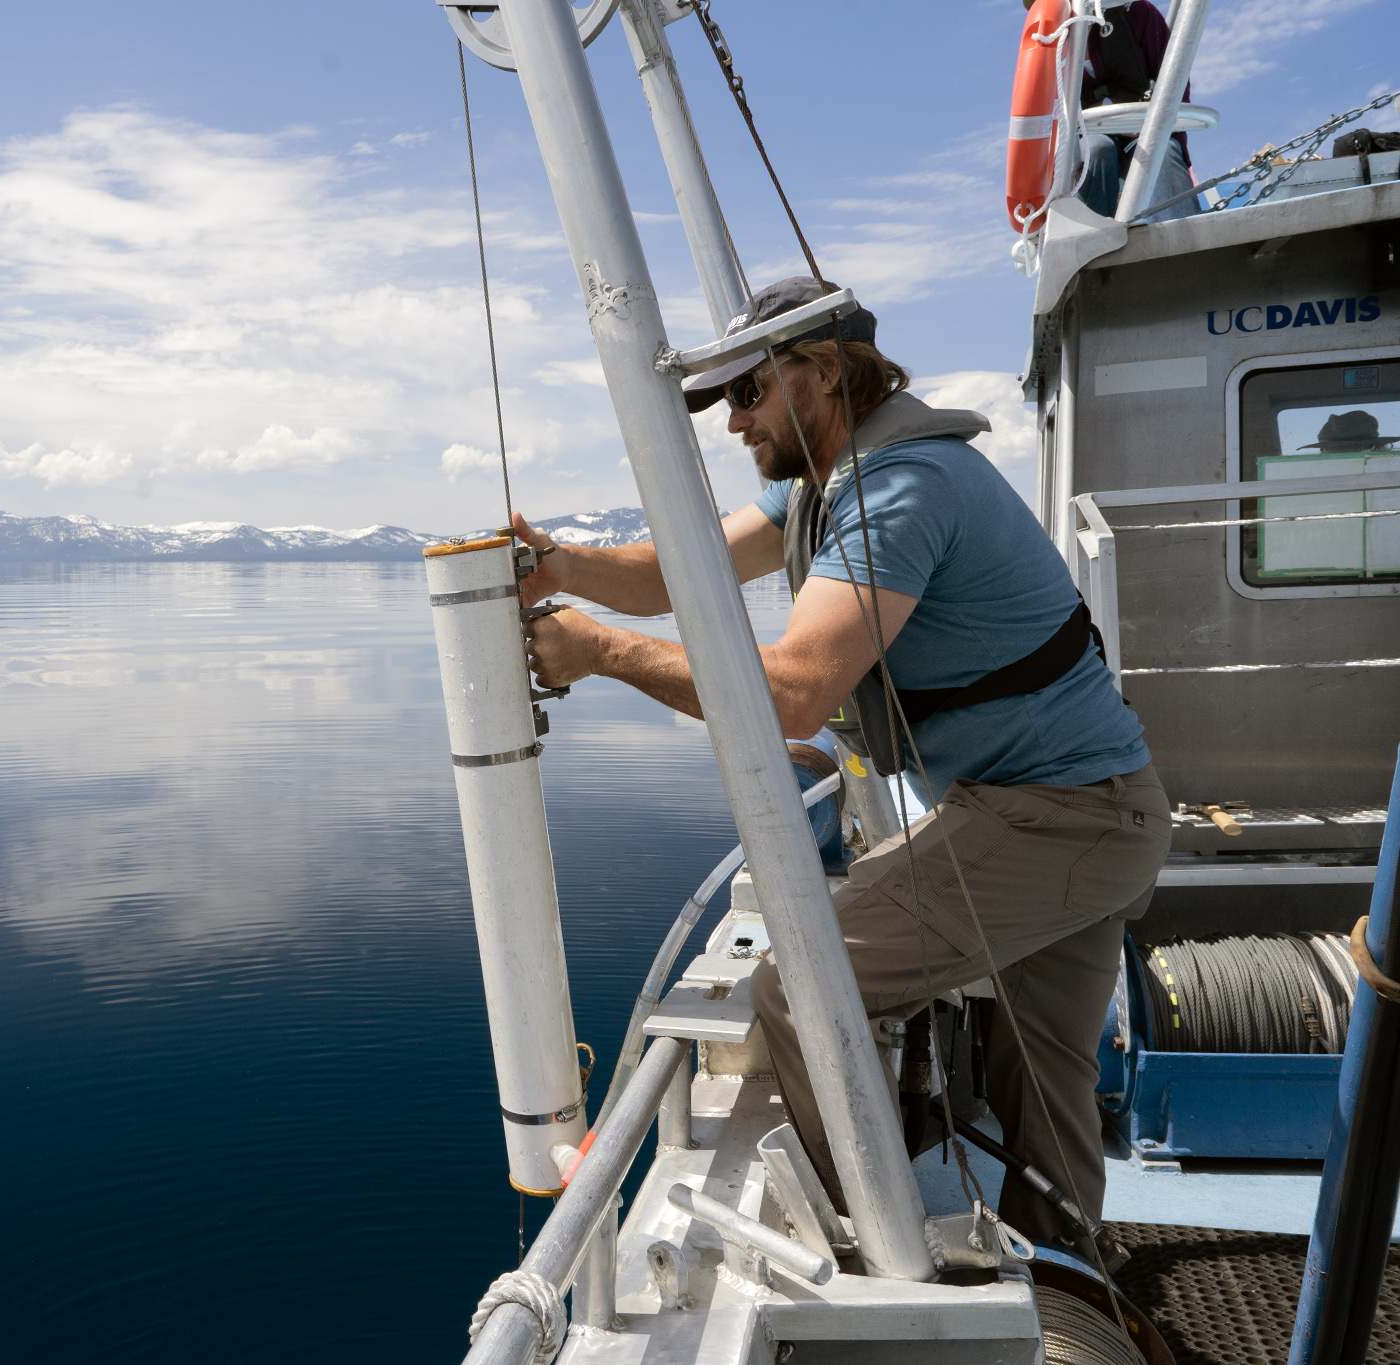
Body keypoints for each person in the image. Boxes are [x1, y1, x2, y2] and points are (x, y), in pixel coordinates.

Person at [513, 277, 1172, 1251]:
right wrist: (562, 565)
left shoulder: (899, 489)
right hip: (1079, 807)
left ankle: (871, 1244)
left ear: (820, 372)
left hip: (1056, 817)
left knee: (806, 986)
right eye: (719, 401)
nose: (730, 423)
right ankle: (1069, 1279)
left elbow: (793, 692)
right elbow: (671, 573)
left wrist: (598, 652)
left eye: (745, 394)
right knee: (1033, 1082)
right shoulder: (822, 485)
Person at [1064, 0, 1202, 222]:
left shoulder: (1138, 13)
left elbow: (1174, 84)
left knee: (1161, 152)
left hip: (1142, 128)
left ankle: (1188, 245)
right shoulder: (1049, 40)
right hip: (1088, 138)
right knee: (1098, 149)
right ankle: (1093, 241)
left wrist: (1160, 132)